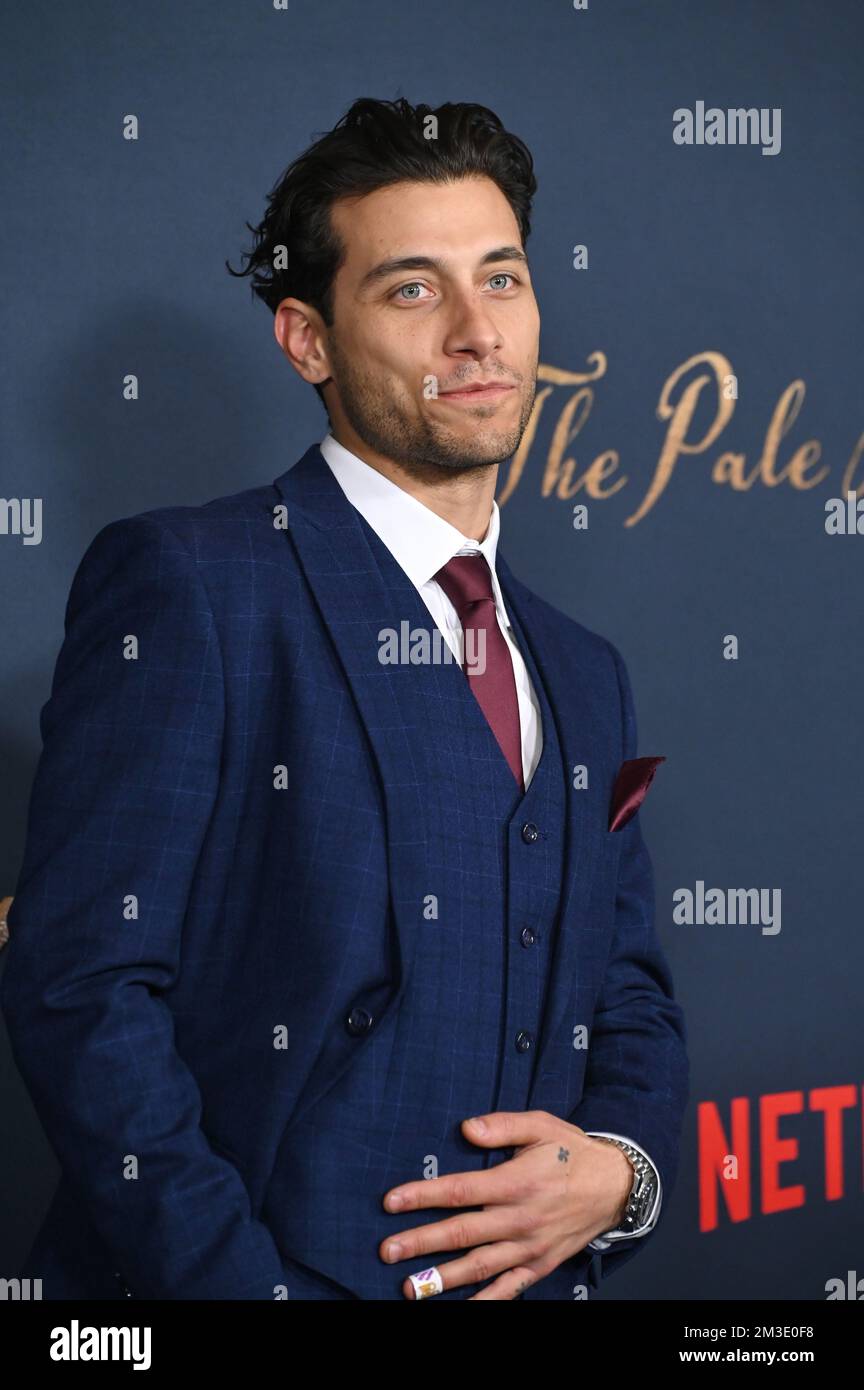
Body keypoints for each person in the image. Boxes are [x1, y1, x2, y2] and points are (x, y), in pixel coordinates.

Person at [0, 97, 688, 1301]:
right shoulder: (193, 584)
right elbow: (81, 986)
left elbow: (626, 993)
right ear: (308, 340)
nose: (480, 333)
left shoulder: (585, 670)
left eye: (505, 280)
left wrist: (618, 1175)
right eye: (414, 290)